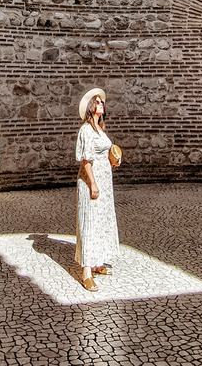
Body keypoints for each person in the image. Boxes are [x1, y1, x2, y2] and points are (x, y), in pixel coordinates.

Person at [75, 87, 120, 291]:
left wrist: (113, 160)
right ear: (91, 107)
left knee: (101, 220)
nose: (102, 103)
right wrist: (92, 183)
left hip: (105, 179)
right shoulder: (85, 130)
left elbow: (104, 153)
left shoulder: (100, 129)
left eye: (102, 101)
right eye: (98, 101)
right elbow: (86, 160)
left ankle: (97, 263)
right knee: (89, 222)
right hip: (90, 180)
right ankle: (86, 272)